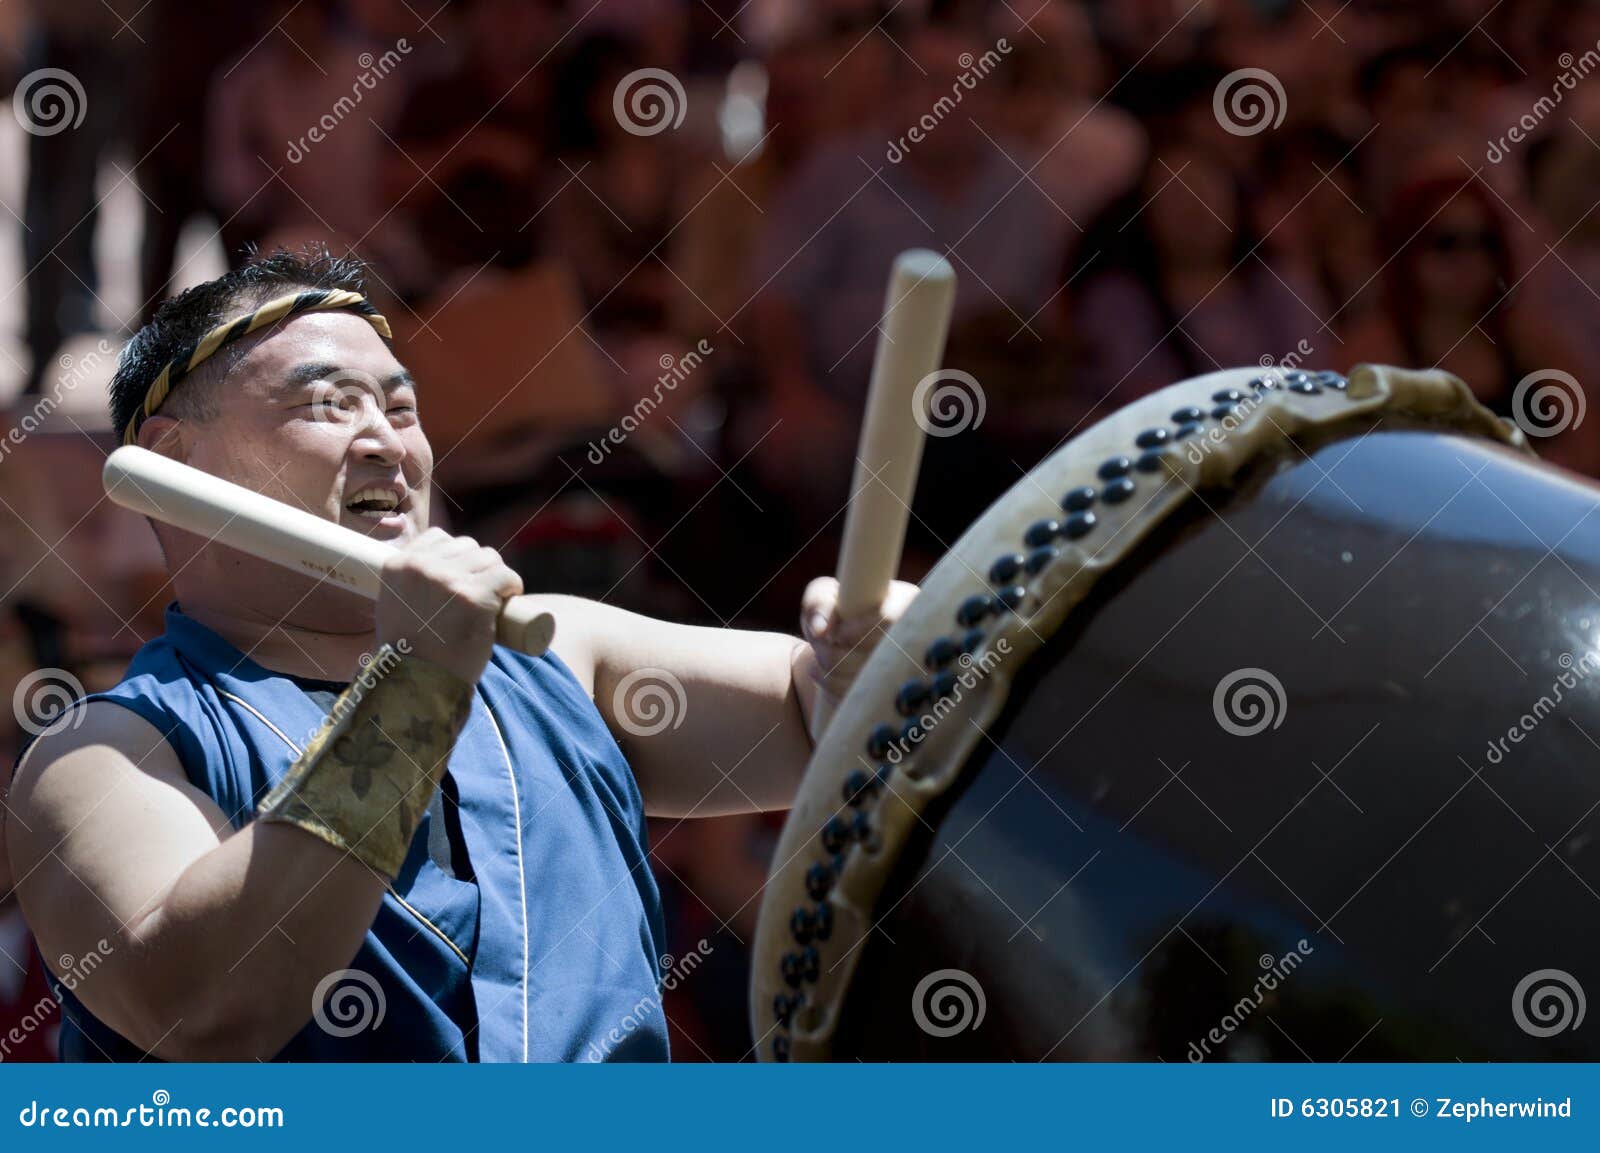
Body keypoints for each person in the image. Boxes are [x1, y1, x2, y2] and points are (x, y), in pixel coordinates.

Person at [0, 248, 915, 1062]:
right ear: (178, 461)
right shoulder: (99, 755)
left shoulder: (561, 652)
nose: (388, 441)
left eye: (403, 406)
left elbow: (820, 718)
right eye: (329, 403)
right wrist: (413, 688)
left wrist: (876, 659)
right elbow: (208, 1012)